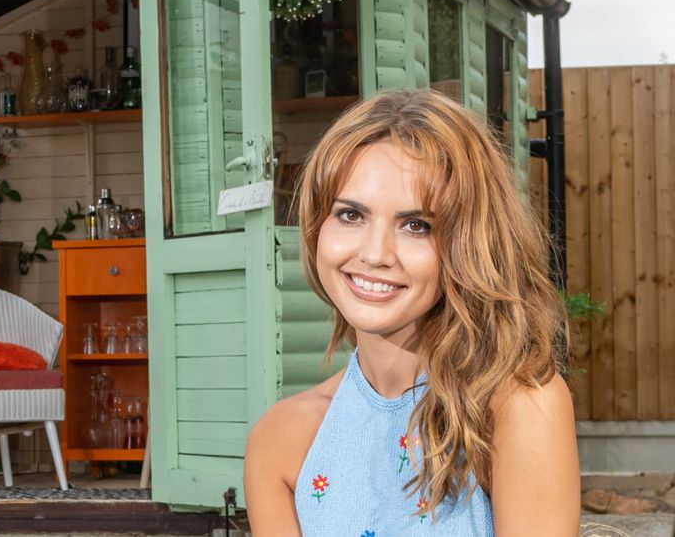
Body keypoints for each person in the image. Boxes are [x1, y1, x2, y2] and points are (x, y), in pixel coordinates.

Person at [245, 89, 578, 535]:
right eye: (350, 215)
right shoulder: (280, 439)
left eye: (416, 225)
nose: (375, 253)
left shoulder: (518, 408)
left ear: (470, 245)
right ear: (316, 226)